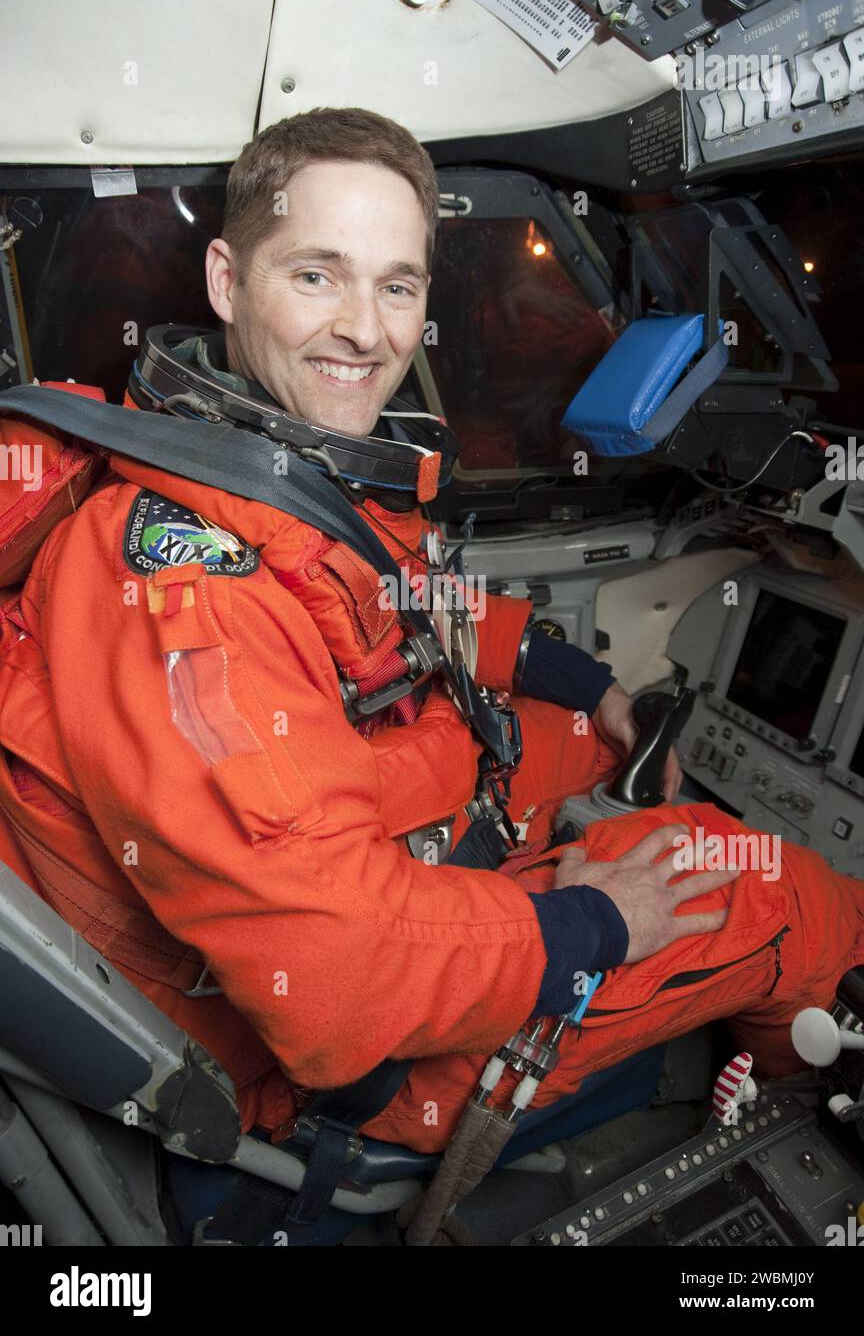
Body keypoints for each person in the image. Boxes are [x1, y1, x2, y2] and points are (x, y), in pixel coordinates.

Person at [0, 108, 862, 1171]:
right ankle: (807, 1104)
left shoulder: (246, 471)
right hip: (367, 1059)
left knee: (617, 758)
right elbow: (341, 977)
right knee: (779, 893)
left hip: (398, 840)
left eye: (396, 285)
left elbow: (399, 603)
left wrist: (587, 686)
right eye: (317, 275)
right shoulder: (185, 597)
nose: (367, 330)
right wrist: (597, 923)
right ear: (227, 281)